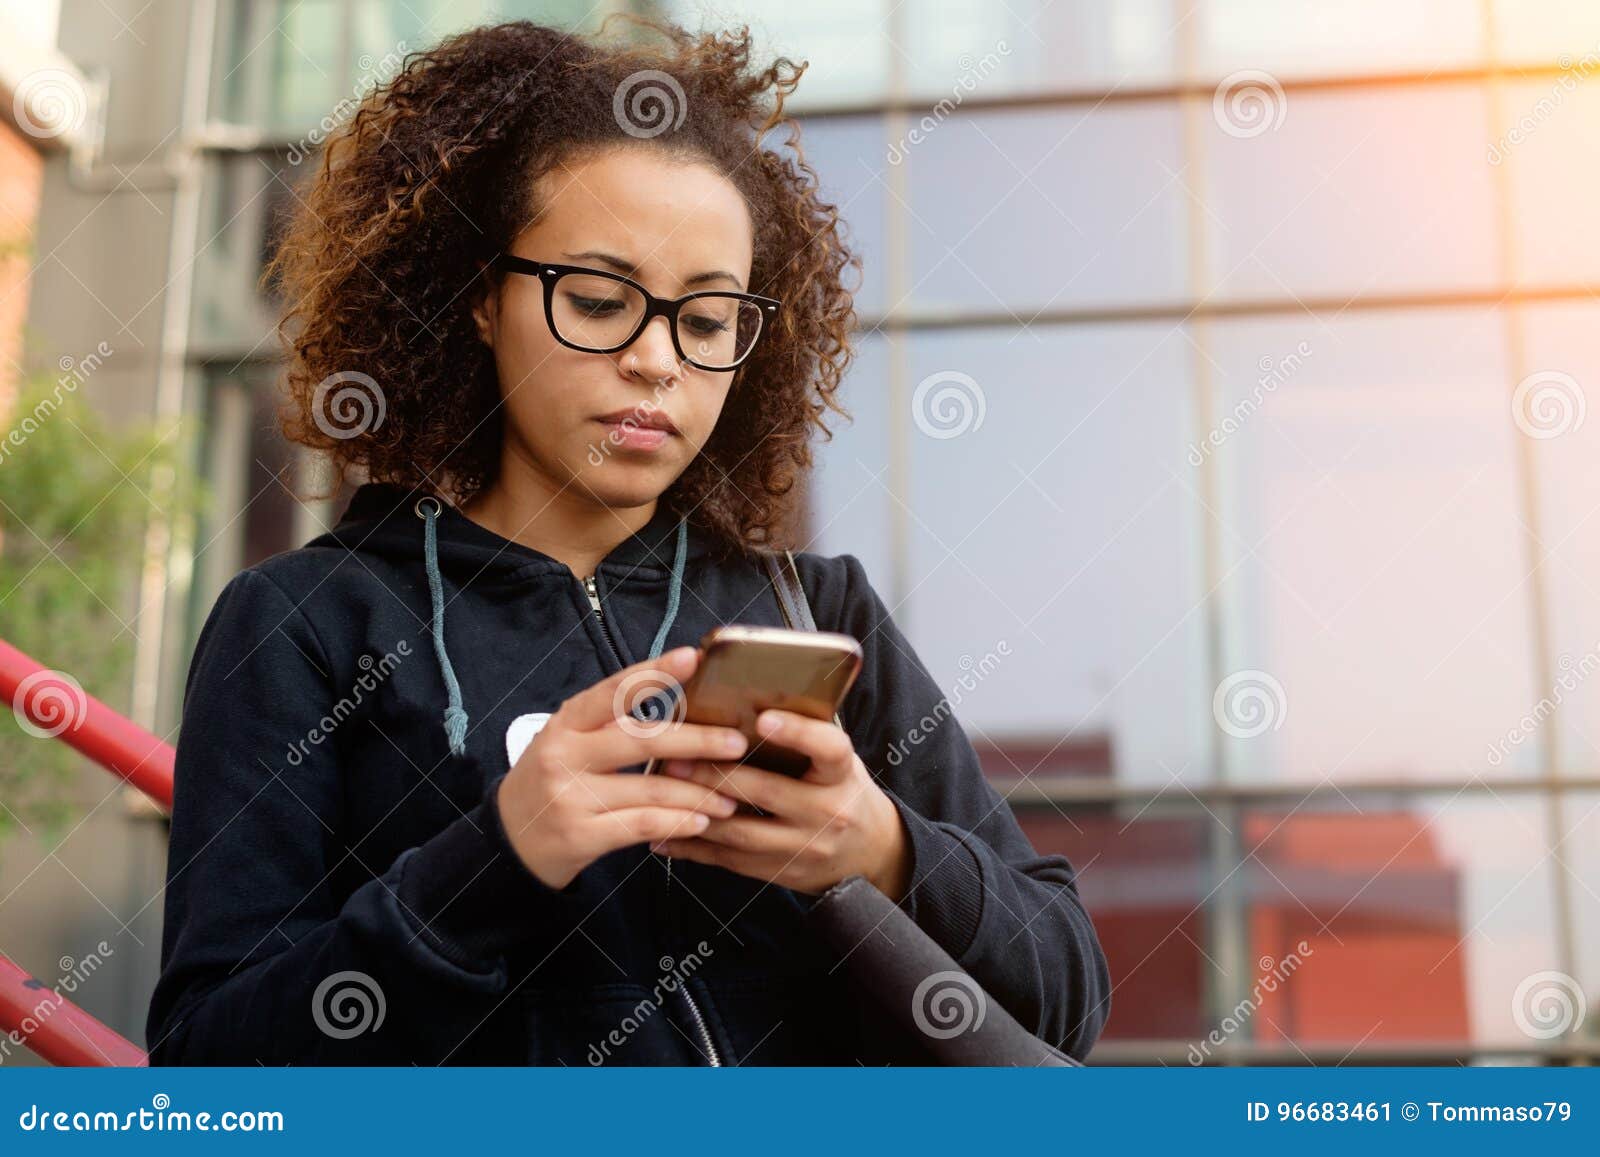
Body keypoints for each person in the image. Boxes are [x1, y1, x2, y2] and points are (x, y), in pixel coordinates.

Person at [145, 16, 1109, 1066]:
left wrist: (877, 845)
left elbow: (1066, 996)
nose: (657, 360)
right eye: (600, 302)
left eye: (704, 323)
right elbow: (212, 1065)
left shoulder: (818, 610)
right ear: (478, 299)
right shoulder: (304, 624)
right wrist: (499, 856)